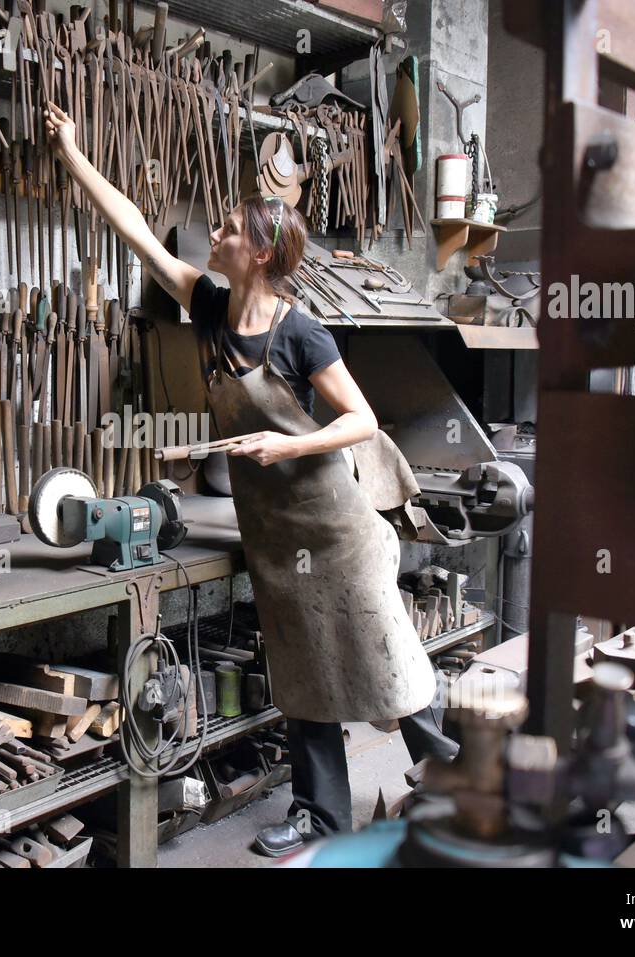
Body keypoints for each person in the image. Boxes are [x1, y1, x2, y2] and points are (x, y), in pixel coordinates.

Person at [44, 102, 457, 857]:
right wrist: (73, 153)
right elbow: (135, 229)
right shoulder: (207, 307)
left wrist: (284, 444)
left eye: (232, 229)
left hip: (338, 527)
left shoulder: (302, 332)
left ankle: (453, 781)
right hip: (274, 536)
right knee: (305, 673)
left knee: (385, 661)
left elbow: (361, 420)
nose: (219, 233)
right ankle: (321, 816)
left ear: (261, 253)